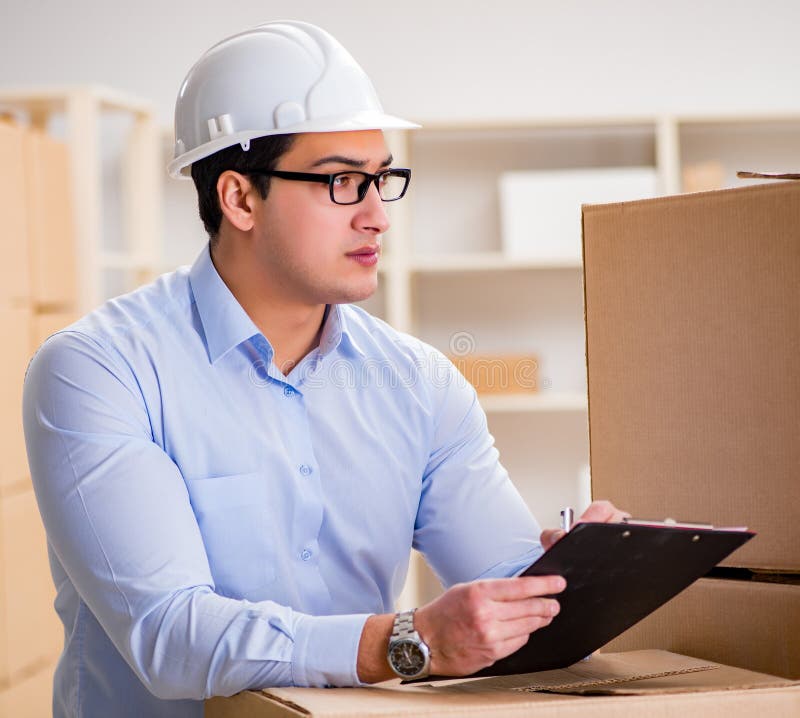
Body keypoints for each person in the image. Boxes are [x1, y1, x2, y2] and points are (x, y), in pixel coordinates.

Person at [22, 20, 628, 718]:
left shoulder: (420, 384)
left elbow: (504, 612)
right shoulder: (99, 371)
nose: (377, 216)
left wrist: (576, 581)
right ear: (240, 198)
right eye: (342, 180)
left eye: (383, 179)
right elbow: (169, 638)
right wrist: (409, 641)